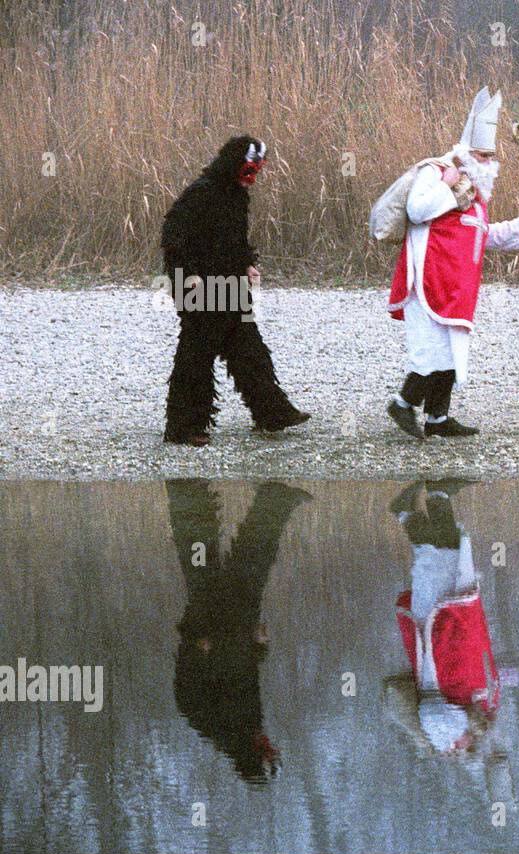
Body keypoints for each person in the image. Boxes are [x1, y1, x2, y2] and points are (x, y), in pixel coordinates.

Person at [385, 88, 519, 439]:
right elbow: (417, 210)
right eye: (481, 155)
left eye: (490, 156)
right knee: (433, 351)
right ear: (466, 152)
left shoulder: (476, 198)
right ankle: (403, 403)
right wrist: (447, 184)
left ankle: (438, 419)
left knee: (452, 353)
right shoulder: (438, 171)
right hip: (428, 279)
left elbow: (481, 235)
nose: (487, 163)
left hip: (457, 286)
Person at [161, 136, 310, 446]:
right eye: (248, 170)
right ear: (233, 164)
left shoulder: (237, 196)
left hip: (230, 287)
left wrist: (246, 264)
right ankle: (183, 428)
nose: (252, 178)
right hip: (200, 288)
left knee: (249, 352)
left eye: (257, 170)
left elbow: (234, 239)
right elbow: (173, 235)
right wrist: (186, 275)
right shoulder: (201, 194)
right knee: (196, 356)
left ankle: (272, 413)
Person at [167, 478, 311, 782]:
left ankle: (186, 489)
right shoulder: (251, 727)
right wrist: (259, 648)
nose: (271, 745)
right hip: (240, 633)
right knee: (253, 562)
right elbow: (245, 678)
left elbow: (185, 693)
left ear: (254, 756)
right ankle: (275, 500)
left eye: (268, 752)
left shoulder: (214, 727)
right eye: (273, 750)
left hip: (209, 626)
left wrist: (196, 646)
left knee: (198, 553)